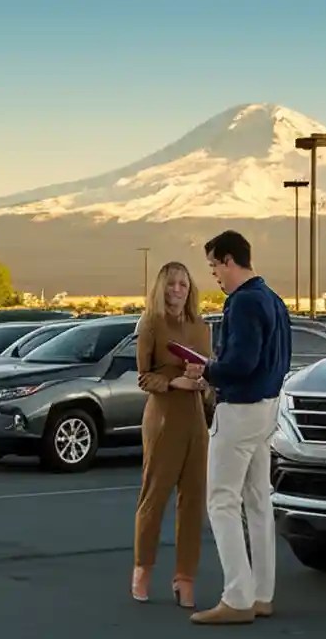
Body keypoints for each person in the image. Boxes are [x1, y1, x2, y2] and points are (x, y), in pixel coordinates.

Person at [184, 230, 291, 625]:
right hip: (267, 409)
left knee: (222, 501)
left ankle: (238, 597)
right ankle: (262, 593)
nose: (213, 274)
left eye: (213, 265)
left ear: (229, 261)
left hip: (241, 410)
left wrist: (208, 369)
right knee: (258, 501)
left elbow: (241, 363)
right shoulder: (273, 300)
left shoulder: (243, 303)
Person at [131, 261, 215, 609]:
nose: (177, 290)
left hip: (195, 419)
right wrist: (172, 382)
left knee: (194, 501)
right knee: (154, 497)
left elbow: (210, 380)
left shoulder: (202, 327)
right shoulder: (150, 323)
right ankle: (143, 568)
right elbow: (142, 377)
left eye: (182, 284)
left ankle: (185, 577)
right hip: (163, 418)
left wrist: (200, 380)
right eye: (170, 284)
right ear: (160, 288)